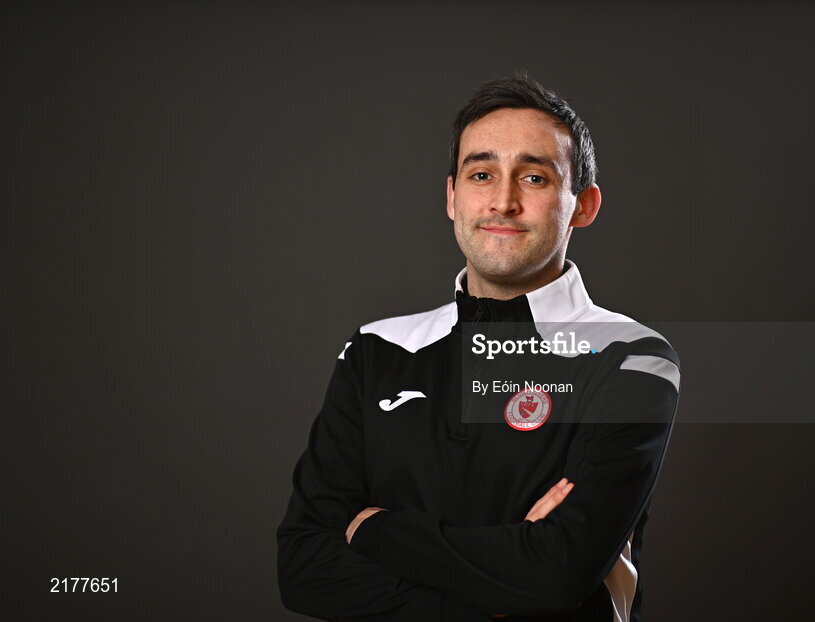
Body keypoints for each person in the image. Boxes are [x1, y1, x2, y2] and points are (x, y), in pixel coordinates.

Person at [277, 72, 681, 622]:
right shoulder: (377, 349)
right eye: (482, 173)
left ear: (583, 205)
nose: (503, 201)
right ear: (451, 196)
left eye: (535, 178)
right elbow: (303, 569)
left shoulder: (631, 355)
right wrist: (502, 594)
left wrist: (376, 530)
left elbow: (559, 572)